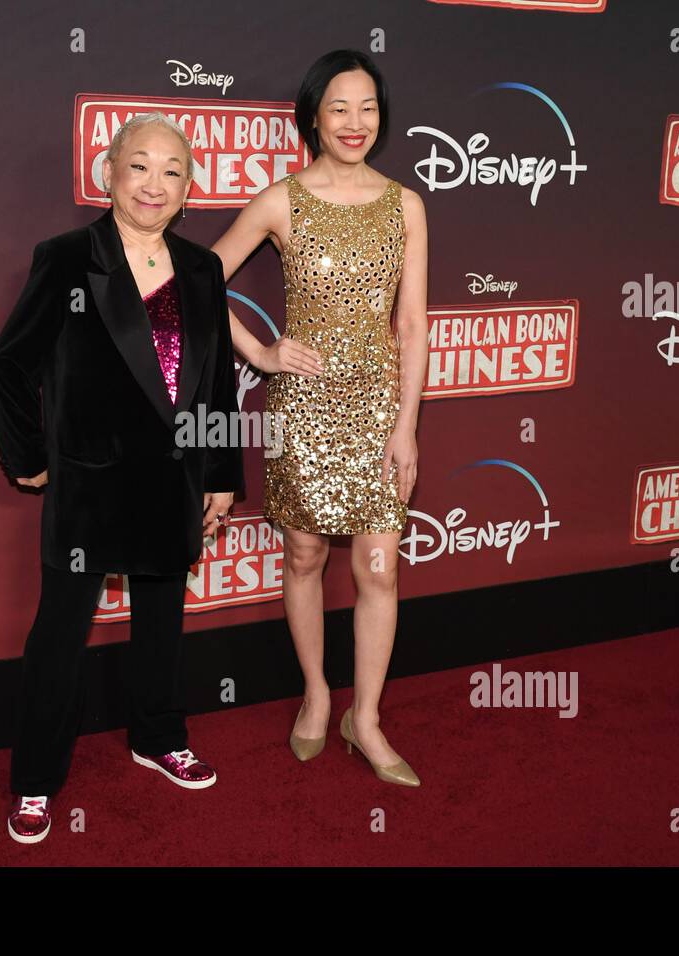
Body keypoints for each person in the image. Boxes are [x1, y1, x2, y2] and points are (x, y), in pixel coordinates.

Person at [0, 112, 244, 843]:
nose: (153, 184)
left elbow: (215, 381)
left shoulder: (202, 269)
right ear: (108, 173)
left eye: (172, 171)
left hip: (174, 479)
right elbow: (11, 363)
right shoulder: (68, 258)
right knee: (59, 635)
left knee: (163, 619)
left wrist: (220, 470)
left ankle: (158, 737)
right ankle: (36, 780)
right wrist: (28, 458)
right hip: (90, 485)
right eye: (139, 166)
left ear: (189, 188)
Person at [210, 50, 429, 786]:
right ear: (313, 116)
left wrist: (406, 427)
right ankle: (316, 694)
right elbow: (198, 281)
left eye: (367, 107)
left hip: (379, 410)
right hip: (302, 409)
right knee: (304, 557)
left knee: (379, 568)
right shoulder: (282, 200)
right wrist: (261, 352)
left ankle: (366, 719)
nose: (354, 122)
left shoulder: (405, 205)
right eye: (339, 107)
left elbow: (413, 325)